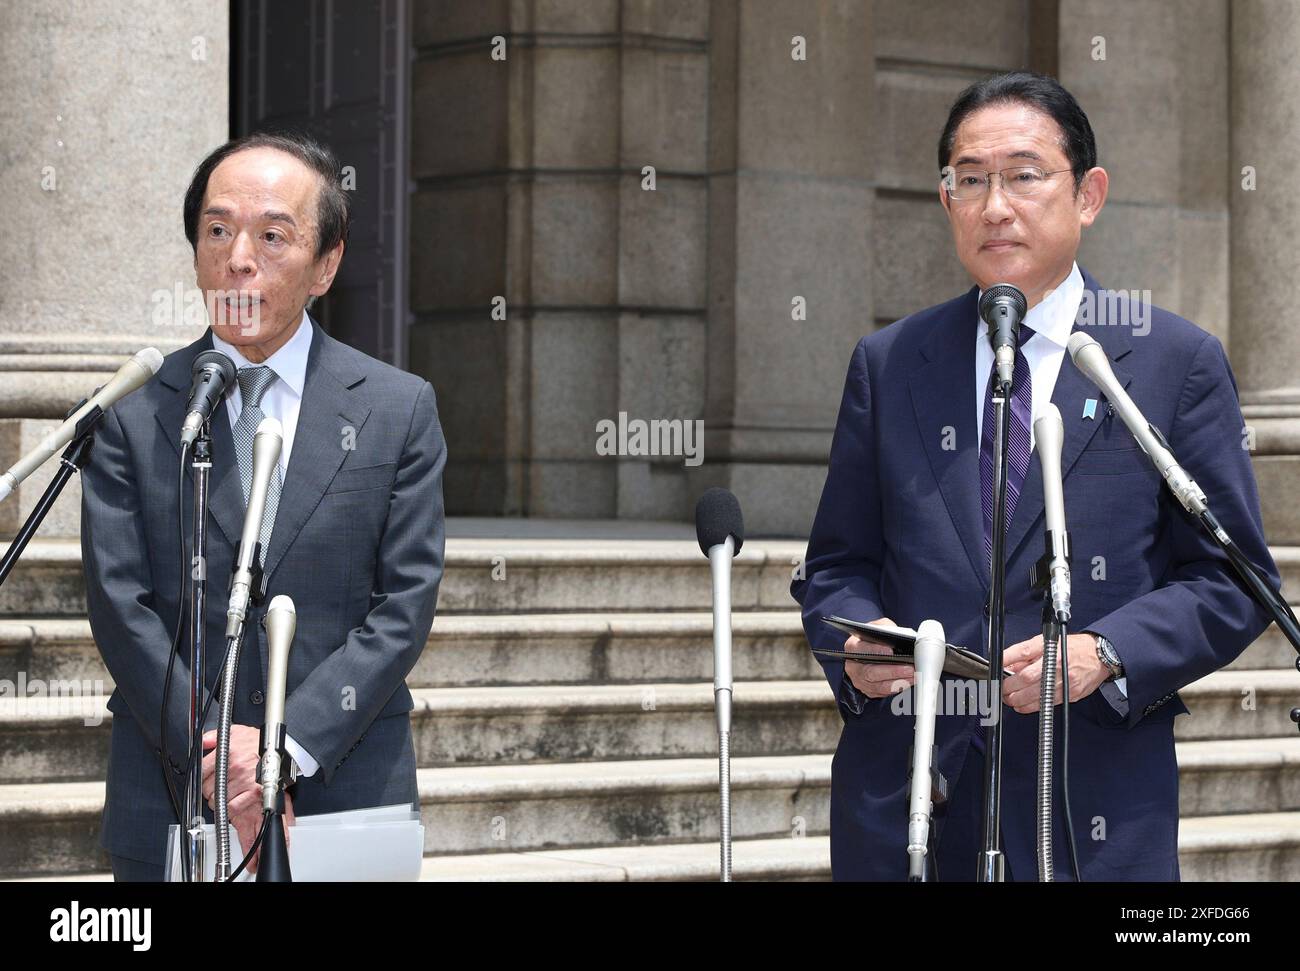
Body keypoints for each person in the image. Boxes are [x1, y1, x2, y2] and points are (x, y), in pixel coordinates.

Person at [791, 71, 1277, 881]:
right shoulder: (890, 362)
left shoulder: (1169, 362)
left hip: (1088, 802)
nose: (995, 205)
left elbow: (1234, 580)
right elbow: (838, 562)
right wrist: (854, 640)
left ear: (1087, 194)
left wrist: (1105, 650)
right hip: (916, 791)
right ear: (945, 199)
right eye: (969, 180)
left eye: (1023, 175)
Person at [81, 130, 446, 879]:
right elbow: (122, 606)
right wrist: (219, 751)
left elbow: (402, 605)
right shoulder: (131, 410)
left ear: (327, 264)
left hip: (346, 784)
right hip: (173, 784)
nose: (238, 256)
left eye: (273, 235)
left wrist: (284, 747)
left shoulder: (396, 408)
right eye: (217, 230)